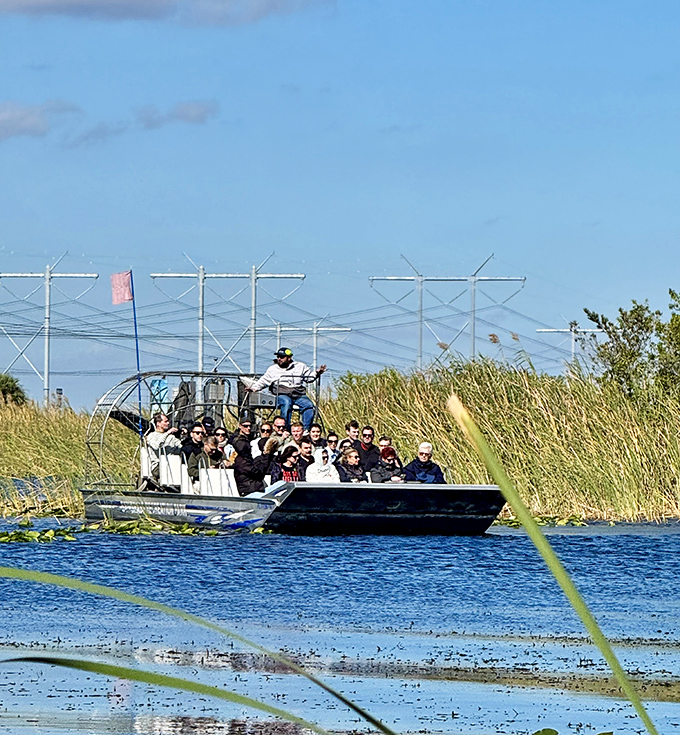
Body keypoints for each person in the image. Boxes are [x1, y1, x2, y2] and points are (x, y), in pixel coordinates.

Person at [245, 347, 327, 430]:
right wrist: (253, 388)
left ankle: (305, 430)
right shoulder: (272, 369)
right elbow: (264, 381)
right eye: (278, 357)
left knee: (309, 405)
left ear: (289, 358)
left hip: (298, 394)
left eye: (282, 357)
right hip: (282, 394)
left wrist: (317, 372)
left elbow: (309, 378)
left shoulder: (300, 366)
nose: (279, 359)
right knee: (286, 403)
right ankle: (285, 428)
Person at [145, 413, 182, 478]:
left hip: (172, 464)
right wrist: (167, 433)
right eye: (165, 421)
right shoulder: (151, 436)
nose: (168, 423)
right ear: (158, 423)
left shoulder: (171, 437)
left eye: (168, 421)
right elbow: (156, 446)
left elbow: (181, 447)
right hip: (158, 466)